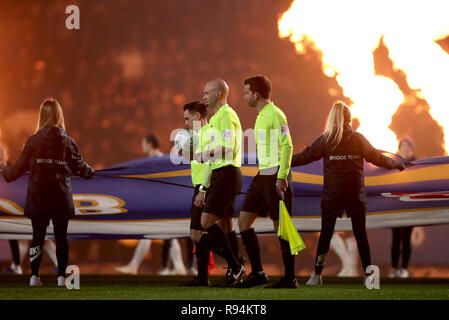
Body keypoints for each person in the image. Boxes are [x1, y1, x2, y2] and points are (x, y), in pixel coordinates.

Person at [290, 101, 405, 285]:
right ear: (349, 119)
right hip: (355, 195)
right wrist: (397, 163)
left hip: (332, 196)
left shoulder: (326, 139)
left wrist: (282, 162)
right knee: (360, 235)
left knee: (326, 235)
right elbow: (377, 158)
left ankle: (316, 276)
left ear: (333, 119)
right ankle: (370, 277)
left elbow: (305, 157)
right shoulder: (358, 139)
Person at [1, 98, 94, 287]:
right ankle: (62, 277)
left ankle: (34, 277)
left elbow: (17, 169)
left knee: (37, 237)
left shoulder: (33, 141)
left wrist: (4, 173)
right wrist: (92, 172)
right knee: (61, 238)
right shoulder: (68, 142)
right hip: (60, 197)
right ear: (60, 115)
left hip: (38, 198)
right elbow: (81, 169)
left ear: (41, 116)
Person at [236, 75, 298, 288]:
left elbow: (288, 146)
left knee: (281, 227)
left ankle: (290, 278)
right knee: (243, 222)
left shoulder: (276, 114)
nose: (244, 96)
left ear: (257, 94)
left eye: (246, 92)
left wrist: (282, 176)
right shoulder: (261, 114)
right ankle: (259, 273)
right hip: (262, 176)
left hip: (275, 177)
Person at [196, 79, 245, 287]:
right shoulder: (217, 118)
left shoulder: (226, 114)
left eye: (207, 93)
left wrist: (205, 154)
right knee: (226, 224)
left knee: (205, 222)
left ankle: (235, 266)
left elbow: (228, 147)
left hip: (227, 173)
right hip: (222, 173)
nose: (204, 97)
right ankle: (236, 269)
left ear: (218, 94)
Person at [115, 134, 187, 275]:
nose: (142, 146)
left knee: (153, 234)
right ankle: (178, 267)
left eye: (143, 143)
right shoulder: (154, 160)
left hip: (162, 205)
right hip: (160, 204)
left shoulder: (159, 160)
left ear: (149, 144)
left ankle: (134, 266)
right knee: (158, 234)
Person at [388, 138, 416, 279]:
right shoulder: (394, 163)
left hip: (410, 206)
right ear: (399, 149)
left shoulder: (418, 164)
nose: (405, 148)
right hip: (396, 205)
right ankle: (394, 268)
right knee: (395, 237)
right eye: (402, 146)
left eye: (408, 146)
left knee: (406, 238)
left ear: (412, 149)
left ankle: (404, 269)